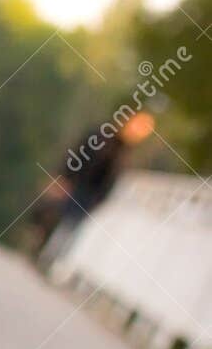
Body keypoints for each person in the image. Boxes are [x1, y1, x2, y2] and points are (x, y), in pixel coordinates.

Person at [31, 109, 156, 264]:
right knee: (56, 216)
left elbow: (110, 182)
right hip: (74, 186)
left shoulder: (124, 152)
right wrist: (64, 177)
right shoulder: (100, 136)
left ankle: (50, 259)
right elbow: (76, 156)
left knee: (71, 226)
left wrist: (99, 200)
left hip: (90, 197)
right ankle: (43, 254)